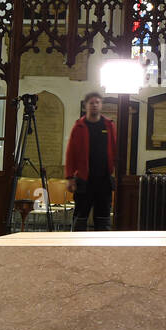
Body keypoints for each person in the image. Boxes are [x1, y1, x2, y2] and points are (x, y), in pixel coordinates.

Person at [65, 91, 117, 230]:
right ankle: (75, 248)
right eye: (91, 103)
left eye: (97, 102)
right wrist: (70, 177)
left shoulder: (109, 125)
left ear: (101, 105)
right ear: (86, 105)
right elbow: (71, 153)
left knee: (103, 220)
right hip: (84, 180)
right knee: (80, 219)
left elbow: (115, 148)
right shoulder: (79, 127)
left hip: (104, 180)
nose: (94, 105)